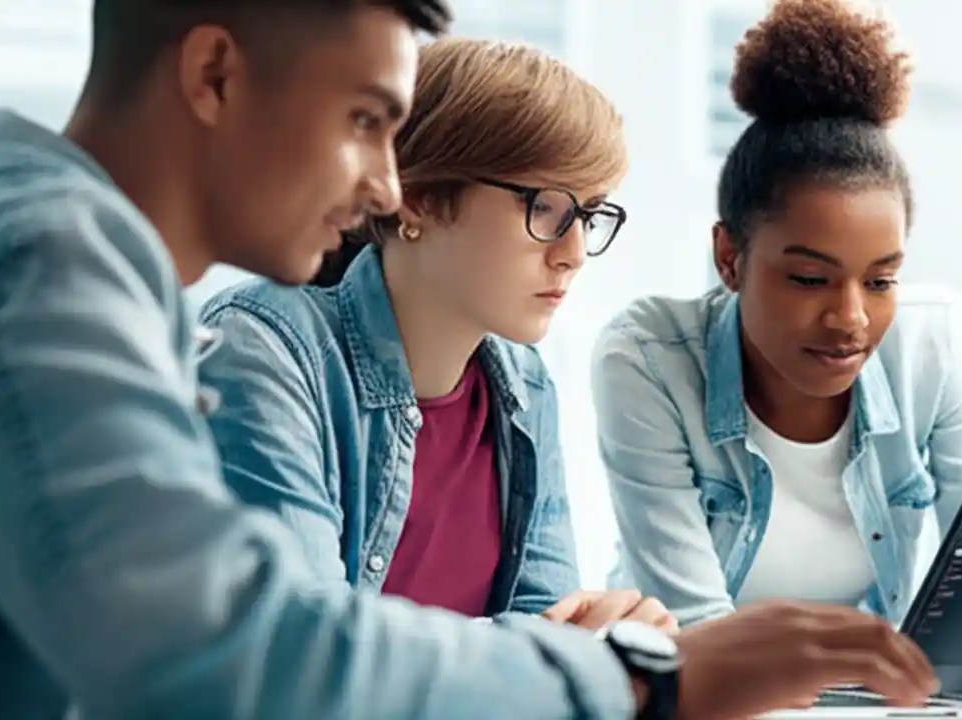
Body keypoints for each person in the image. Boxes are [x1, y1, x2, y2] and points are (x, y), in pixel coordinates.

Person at [0, 1, 939, 717]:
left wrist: (593, 655)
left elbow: (542, 617)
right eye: (364, 121)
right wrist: (638, 677)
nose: (383, 183)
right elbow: (232, 655)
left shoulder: (97, 275)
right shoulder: (48, 261)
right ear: (214, 75)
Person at [591, 0, 962, 699]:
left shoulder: (938, 344)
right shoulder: (649, 361)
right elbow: (698, 642)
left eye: (881, 280)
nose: (851, 319)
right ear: (729, 257)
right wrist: (901, 666)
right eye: (808, 278)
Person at [197, 36, 675, 634]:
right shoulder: (263, 353)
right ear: (417, 199)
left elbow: (551, 628)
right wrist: (551, 650)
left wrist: (602, 638)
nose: (573, 253)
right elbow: (308, 647)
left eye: (589, 215)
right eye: (545, 207)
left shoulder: (524, 384)